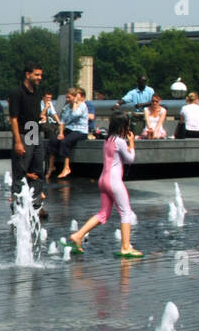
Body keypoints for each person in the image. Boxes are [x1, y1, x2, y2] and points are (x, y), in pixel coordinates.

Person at [68, 112, 140, 258]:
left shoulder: (107, 140)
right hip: (114, 181)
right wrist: (131, 143)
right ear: (124, 126)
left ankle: (78, 235)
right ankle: (125, 247)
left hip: (103, 180)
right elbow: (130, 159)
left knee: (103, 214)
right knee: (125, 212)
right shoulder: (120, 141)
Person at [8, 63, 45, 206]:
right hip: (24, 132)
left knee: (37, 170)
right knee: (20, 170)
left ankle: (35, 205)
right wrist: (18, 141)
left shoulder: (37, 91)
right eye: (36, 75)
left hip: (34, 130)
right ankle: (18, 206)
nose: (39, 78)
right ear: (27, 74)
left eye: (40, 75)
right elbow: (13, 118)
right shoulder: (16, 92)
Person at [47, 87, 87, 180]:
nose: (67, 99)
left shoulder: (82, 106)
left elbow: (75, 115)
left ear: (74, 97)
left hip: (80, 130)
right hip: (69, 129)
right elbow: (62, 122)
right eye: (66, 97)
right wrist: (61, 133)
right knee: (53, 140)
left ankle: (66, 167)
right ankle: (51, 166)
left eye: (69, 97)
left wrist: (75, 103)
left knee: (65, 141)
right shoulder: (66, 107)